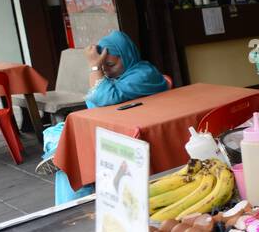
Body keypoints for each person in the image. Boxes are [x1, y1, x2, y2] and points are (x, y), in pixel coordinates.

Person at [38, 30, 169, 203]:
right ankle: (60, 151)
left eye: (110, 64)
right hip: (105, 126)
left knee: (71, 163)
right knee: (53, 133)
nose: (105, 71)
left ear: (127, 55)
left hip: (122, 133)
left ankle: (62, 155)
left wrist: (94, 66)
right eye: (102, 66)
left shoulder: (143, 74)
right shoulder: (122, 75)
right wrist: (98, 68)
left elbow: (102, 97)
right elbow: (97, 100)